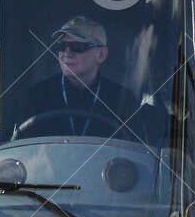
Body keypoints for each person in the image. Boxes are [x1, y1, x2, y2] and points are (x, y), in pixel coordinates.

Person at [14, 15, 144, 140]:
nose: (67, 53)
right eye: (62, 46)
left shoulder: (124, 101)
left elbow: (138, 154)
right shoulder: (37, 96)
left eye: (78, 47)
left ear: (101, 55)